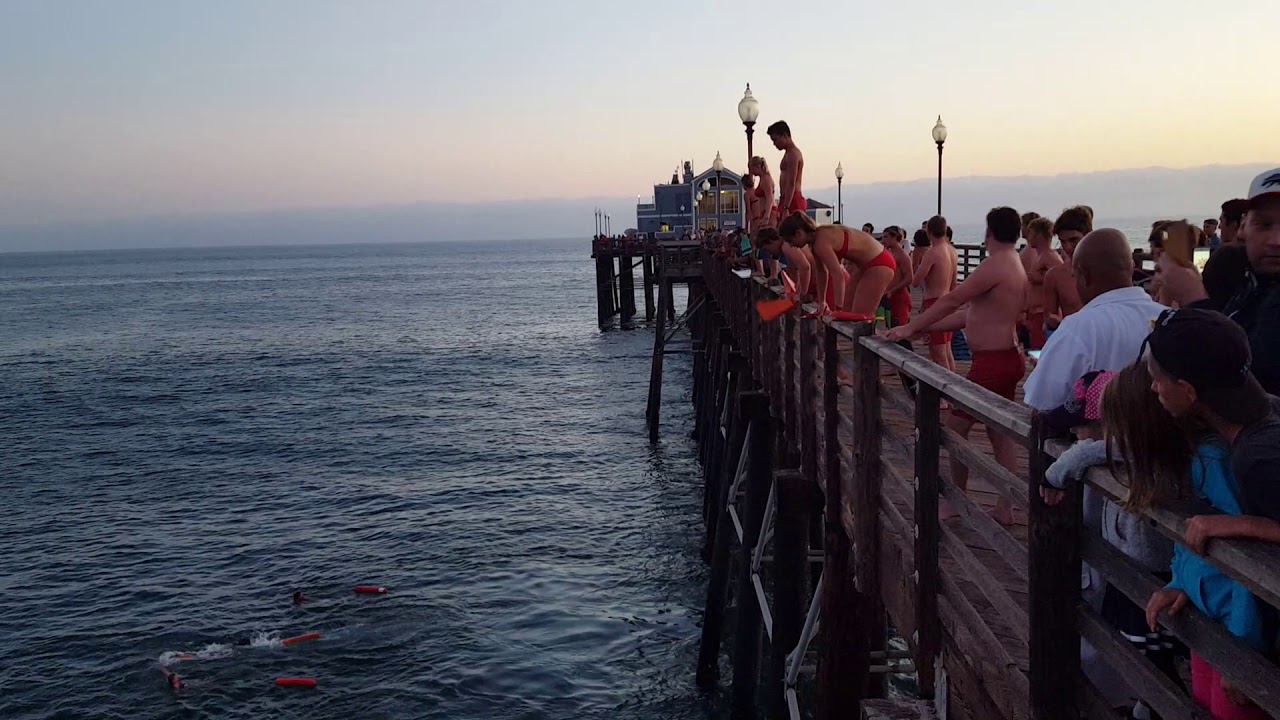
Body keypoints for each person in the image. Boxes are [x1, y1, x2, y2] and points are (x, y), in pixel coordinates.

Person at [1039, 366, 1181, 720]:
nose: (1076, 434)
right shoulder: (1153, 448)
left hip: (1149, 575)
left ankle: (1150, 708)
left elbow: (1085, 453)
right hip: (1141, 572)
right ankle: (1145, 707)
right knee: (1145, 655)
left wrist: (1052, 477)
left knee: (1150, 659)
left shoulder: (1142, 452)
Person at [887, 207, 1029, 525]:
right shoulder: (1014, 264)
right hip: (1007, 357)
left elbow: (952, 300)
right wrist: (927, 327)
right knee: (999, 433)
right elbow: (970, 315)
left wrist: (909, 328)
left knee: (955, 430)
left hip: (993, 362)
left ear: (989, 231)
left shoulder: (996, 265)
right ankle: (1006, 506)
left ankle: (956, 500)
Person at [1143, 308, 1280, 544]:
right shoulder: (1270, 407)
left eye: (1157, 379)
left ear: (1188, 391)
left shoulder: (1257, 459)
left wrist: (1248, 524)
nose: (1154, 388)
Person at [1157, 167, 1280, 395]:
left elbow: (1240, 384)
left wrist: (1194, 301)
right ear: (1244, 225)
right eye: (1264, 225)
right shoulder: (1248, 281)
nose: (1276, 240)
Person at [1024, 229, 1166, 412]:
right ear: (1131, 267)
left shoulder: (1078, 328)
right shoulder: (1169, 318)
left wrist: (1048, 365)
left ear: (1084, 276)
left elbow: (1041, 403)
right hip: (1164, 437)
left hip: (1101, 437)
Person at [760, 213, 896, 318]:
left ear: (799, 233)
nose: (790, 245)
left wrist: (837, 308)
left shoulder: (821, 241)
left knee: (861, 317)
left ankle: (880, 348)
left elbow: (837, 274)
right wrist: (822, 302)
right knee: (848, 312)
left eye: (790, 240)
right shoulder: (815, 243)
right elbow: (822, 273)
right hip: (867, 266)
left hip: (879, 263)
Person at [905, 215, 958, 371]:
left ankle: (945, 394)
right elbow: (954, 283)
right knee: (947, 350)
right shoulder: (952, 251)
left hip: (933, 303)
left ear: (928, 231)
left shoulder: (932, 253)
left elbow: (915, 281)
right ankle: (951, 390)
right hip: (948, 301)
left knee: (938, 353)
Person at [1043, 206, 1092, 329]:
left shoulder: (1107, 270)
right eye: (1063, 242)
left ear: (1088, 235)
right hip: (1075, 341)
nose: (1068, 247)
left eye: (1073, 240)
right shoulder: (1055, 276)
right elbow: (1049, 318)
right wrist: (1056, 323)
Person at [1019, 216, 1063, 349]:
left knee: (1041, 352)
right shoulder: (1040, 257)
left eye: (1031, 232)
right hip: (1034, 314)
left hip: (1042, 314)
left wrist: (1038, 278)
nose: (1028, 235)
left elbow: (1059, 280)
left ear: (1038, 235)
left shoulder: (1050, 257)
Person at [767, 121, 806, 218]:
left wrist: (786, 208)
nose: (774, 144)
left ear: (784, 135)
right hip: (787, 198)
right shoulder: (788, 153)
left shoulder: (793, 154)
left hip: (792, 199)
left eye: (775, 140)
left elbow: (791, 182)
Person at [881, 226, 914, 328]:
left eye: (886, 237)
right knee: (891, 328)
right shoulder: (889, 254)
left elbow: (909, 278)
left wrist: (893, 290)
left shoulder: (902, 256)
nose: (883, 240)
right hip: (888, 296)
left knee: (900, 329)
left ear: (895, 237)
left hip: (900, 297)